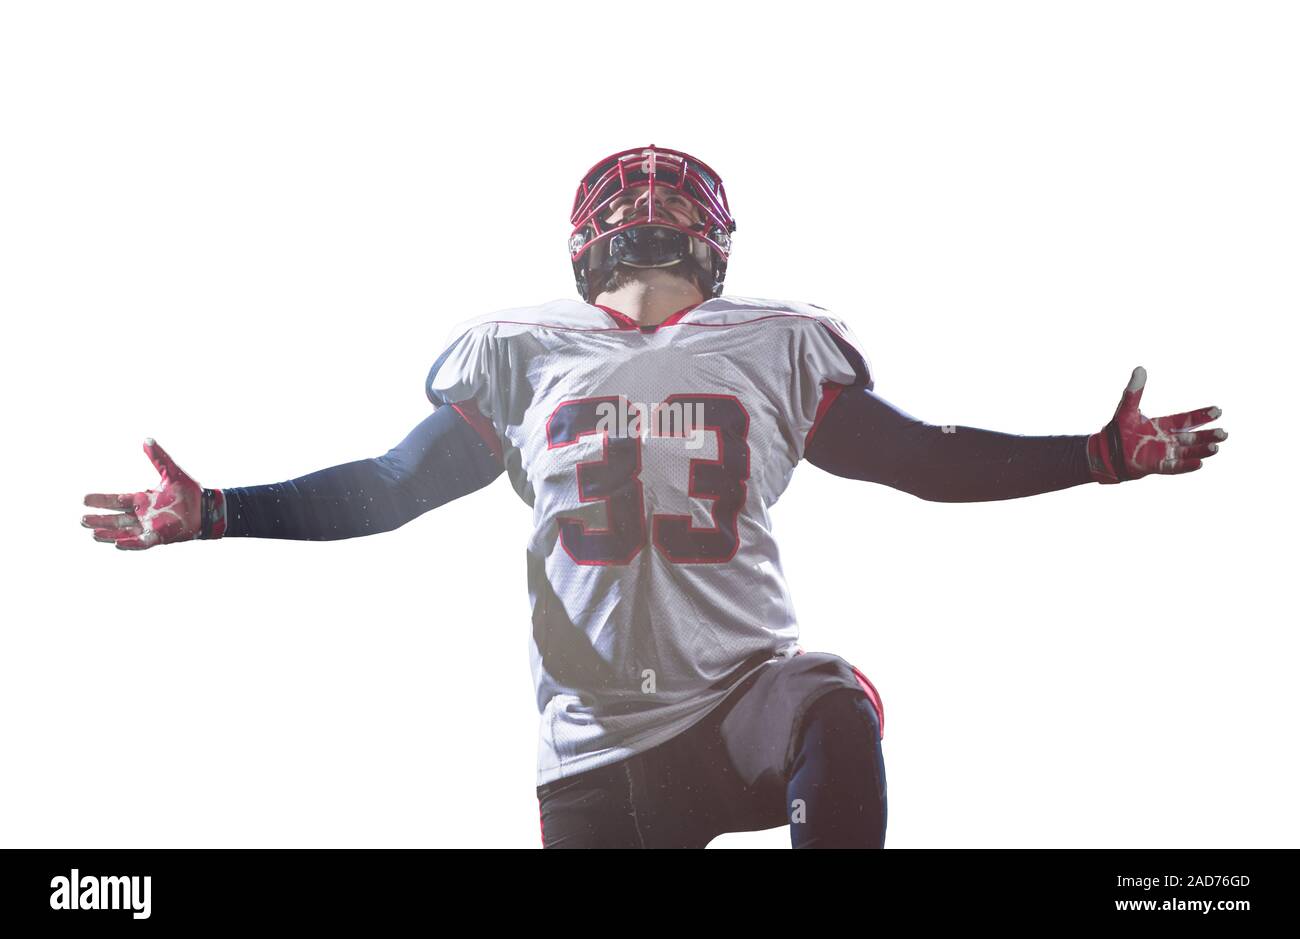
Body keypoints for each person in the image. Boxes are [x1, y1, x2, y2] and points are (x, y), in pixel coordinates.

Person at [82, 145, 1228, 848]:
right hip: (591, 751)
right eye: (631, 183)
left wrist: (1094, 456)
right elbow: (389, 489)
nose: (648, 186)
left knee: (833, 701)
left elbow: (920, 457)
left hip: (741, 704)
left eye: (670, 182)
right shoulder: (521, 353)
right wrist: (221, 510)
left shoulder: (773, 343)